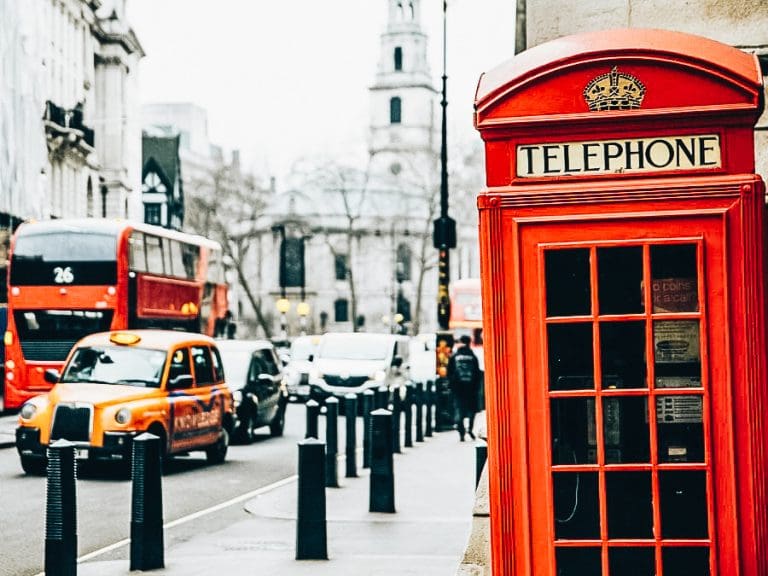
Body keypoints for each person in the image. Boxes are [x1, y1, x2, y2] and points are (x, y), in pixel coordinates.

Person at [447, 334, 481, 441]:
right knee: (472, 410)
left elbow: (449, 373)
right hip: (471, 389)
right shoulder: (473, 356)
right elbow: (477, 373)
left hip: (458, 389)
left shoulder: (455, 356)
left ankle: (461, 432)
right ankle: (470, 429)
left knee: (459, 409)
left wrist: (452, 386)